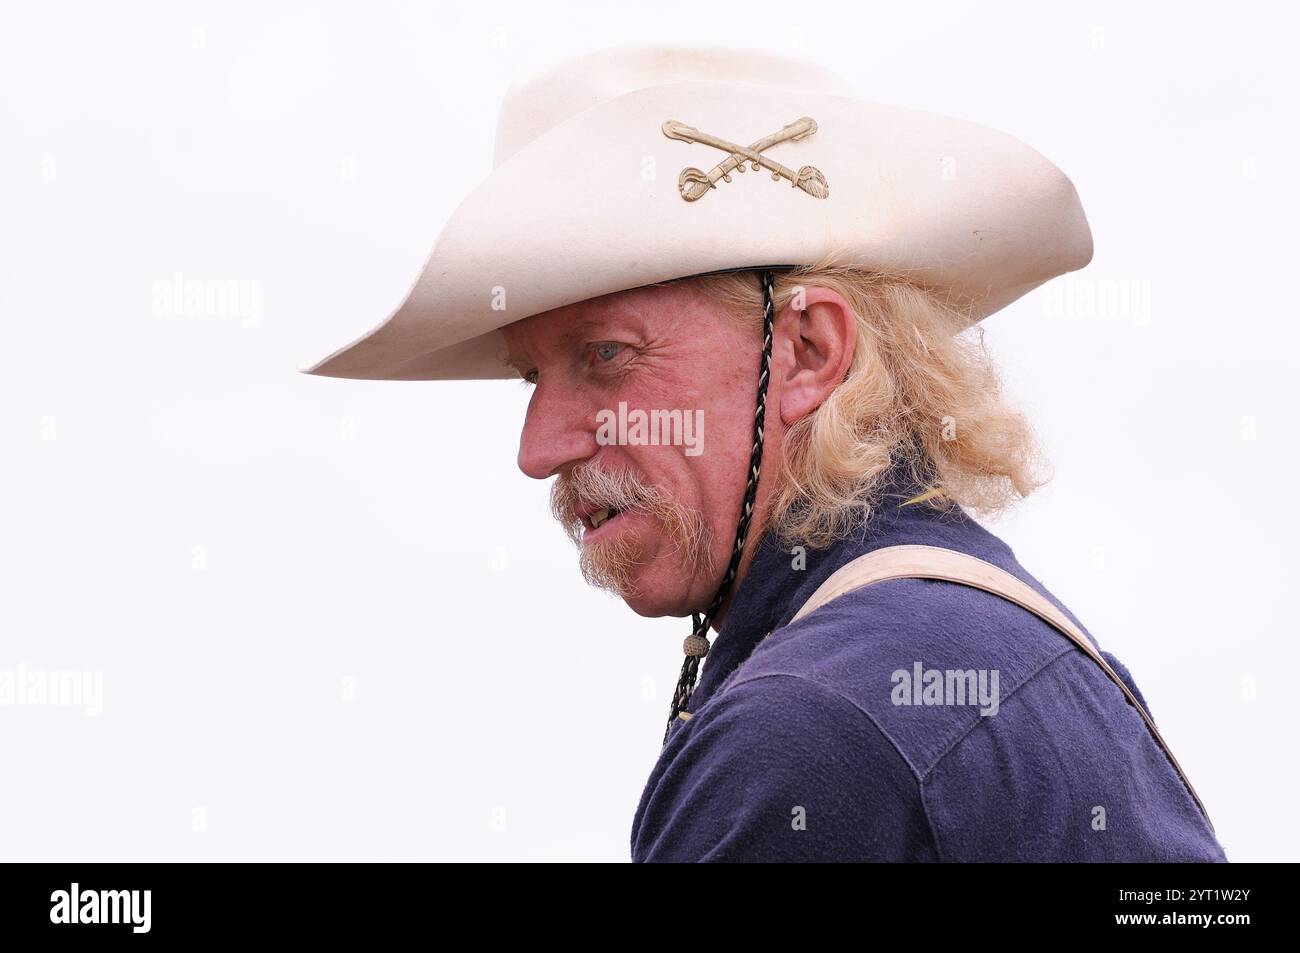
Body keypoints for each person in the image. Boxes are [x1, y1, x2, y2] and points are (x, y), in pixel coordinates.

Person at [303, 44, 1226, 862]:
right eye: (529, 377)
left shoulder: (810, 730)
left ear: (810, 353)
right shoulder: (1003, 647)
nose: (540, 447)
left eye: (607, 356)